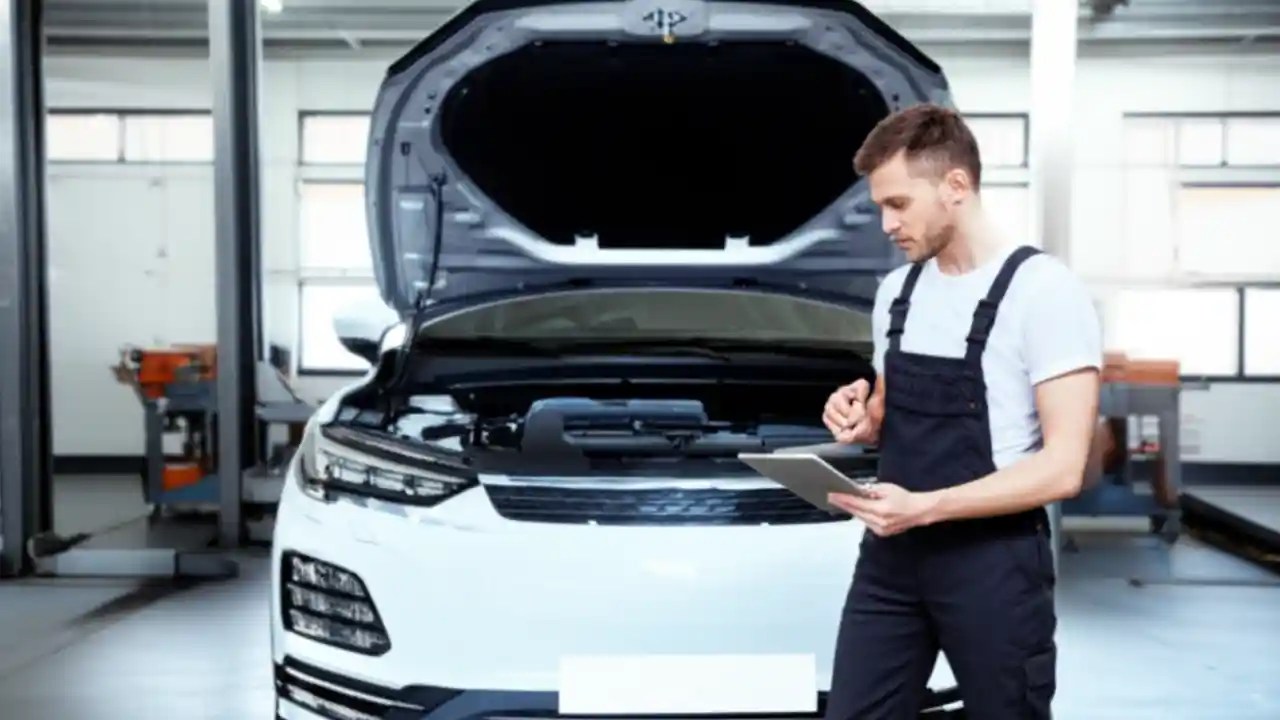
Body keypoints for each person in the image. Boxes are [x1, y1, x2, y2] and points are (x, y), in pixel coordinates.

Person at [820, 104, 1102, 719]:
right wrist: (860, 418)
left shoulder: (1043, 292)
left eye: (898, 204)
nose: (887, 225)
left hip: (993, 562)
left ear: (955, 186)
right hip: (891, 562)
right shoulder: (899, 292)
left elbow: (1062, 469)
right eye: (880, 209)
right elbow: (889, 412)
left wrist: (927, 506)